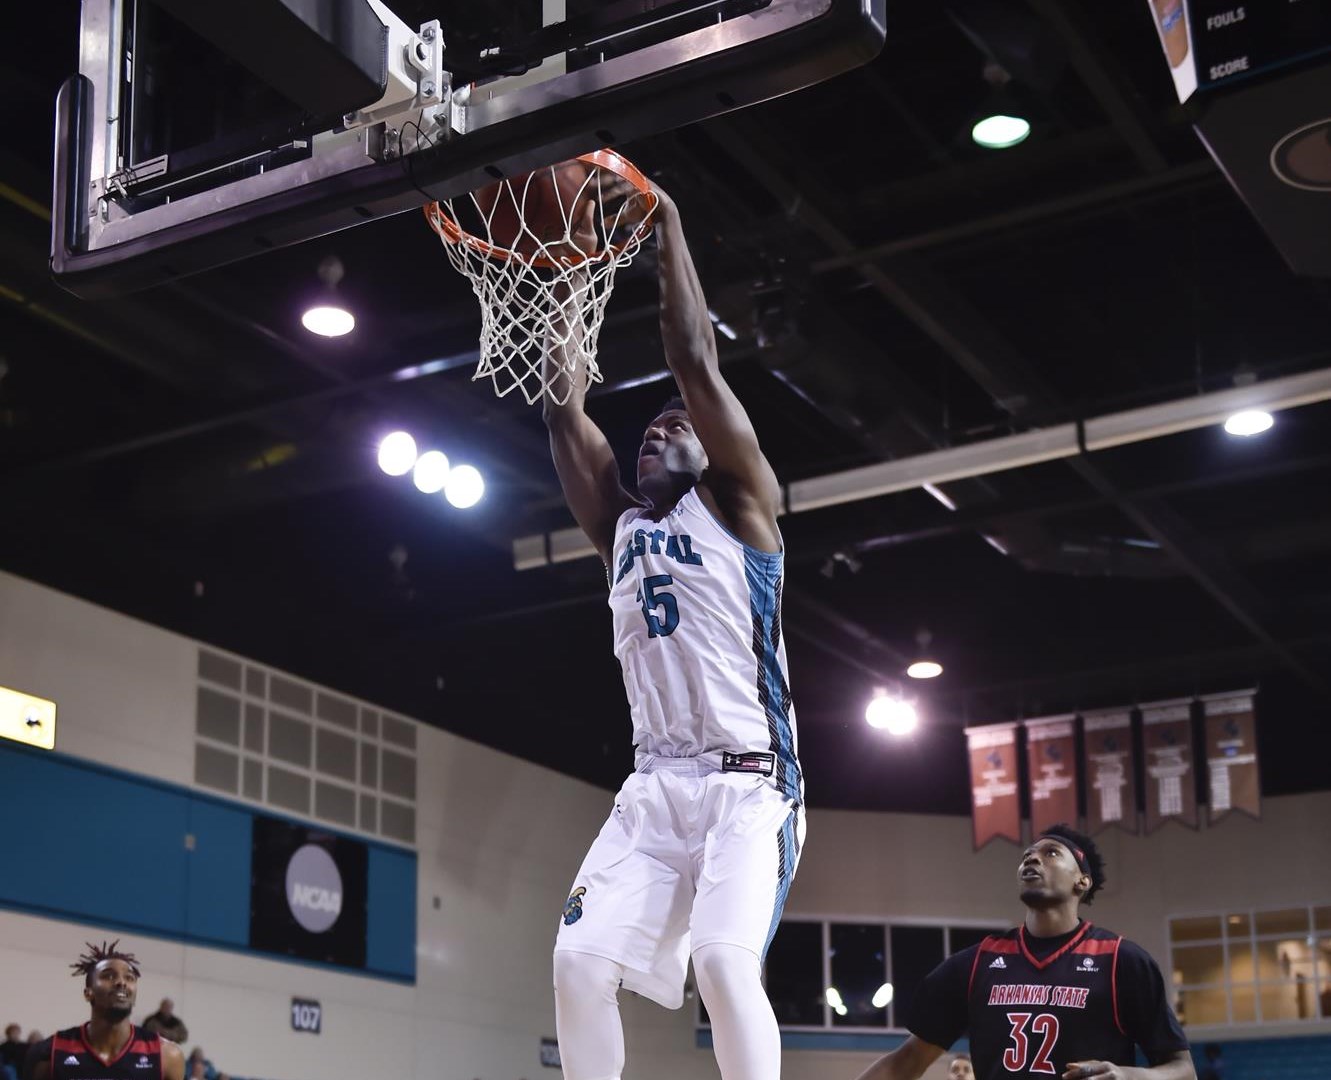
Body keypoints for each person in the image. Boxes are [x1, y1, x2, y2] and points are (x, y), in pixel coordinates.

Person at [543, 179, 803, 1080]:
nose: (657, 431)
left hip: (749, 785)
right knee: (576, 963)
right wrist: (570, 269)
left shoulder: (741, 507)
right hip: (654, 785)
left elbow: (692, 357)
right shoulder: (619, 529)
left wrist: (669, 225)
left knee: (723, 963)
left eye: (675, 427)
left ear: (715, 450)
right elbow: (562, 408)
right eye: (647, 430)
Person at [852, 825, 1195, 1080]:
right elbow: (906, 1062)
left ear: (1082, 881)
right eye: (1027, 854)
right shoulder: (977, 964)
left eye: (1051, 853)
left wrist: (1129, 1076)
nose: (1032, 857)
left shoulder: (1121, 960)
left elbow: (1183, 1070)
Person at [24, 941, 185, 1080]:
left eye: (129, 977)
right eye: (108, 976)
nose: (121, 982)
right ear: (88, 993)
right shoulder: (51, 1052)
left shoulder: (167, 1056)